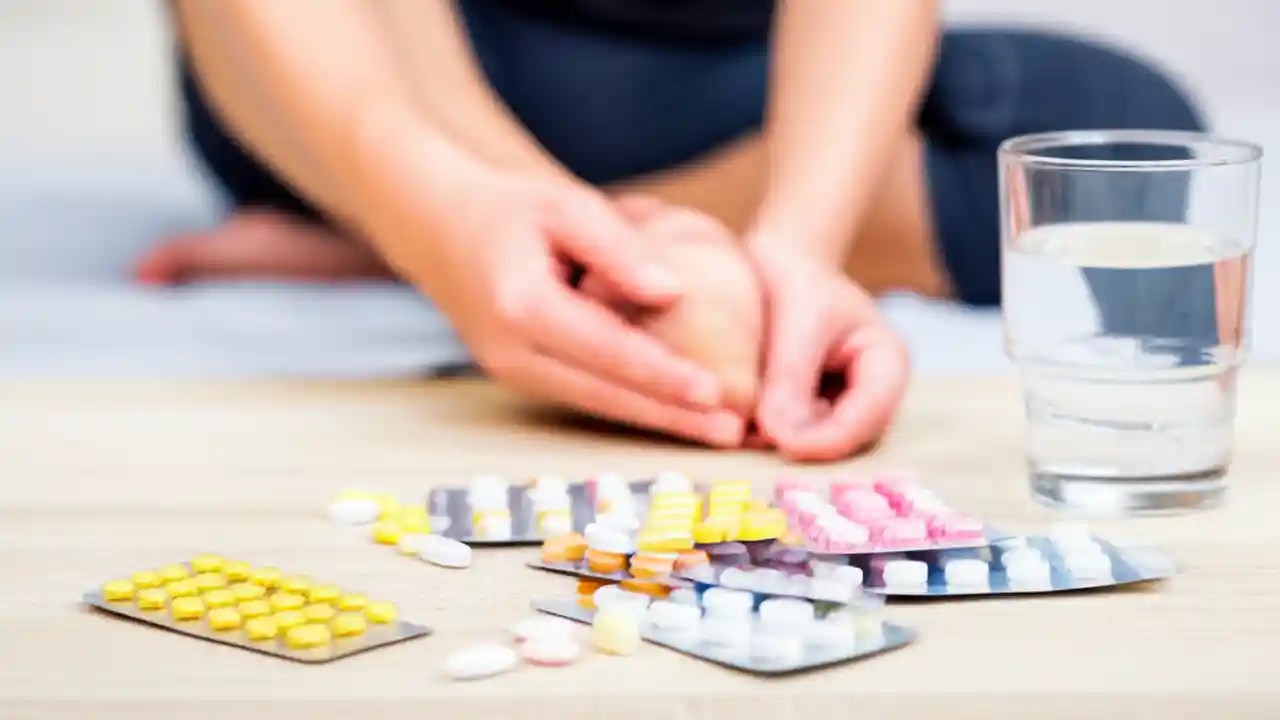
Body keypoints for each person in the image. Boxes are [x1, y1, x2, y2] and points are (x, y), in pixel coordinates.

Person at [142, 1, 1203, 460]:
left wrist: (799, 246)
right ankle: (418, 216)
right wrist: (439, 201)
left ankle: (444, 242)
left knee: (1119, 145)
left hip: (694, 89)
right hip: (356, 67)